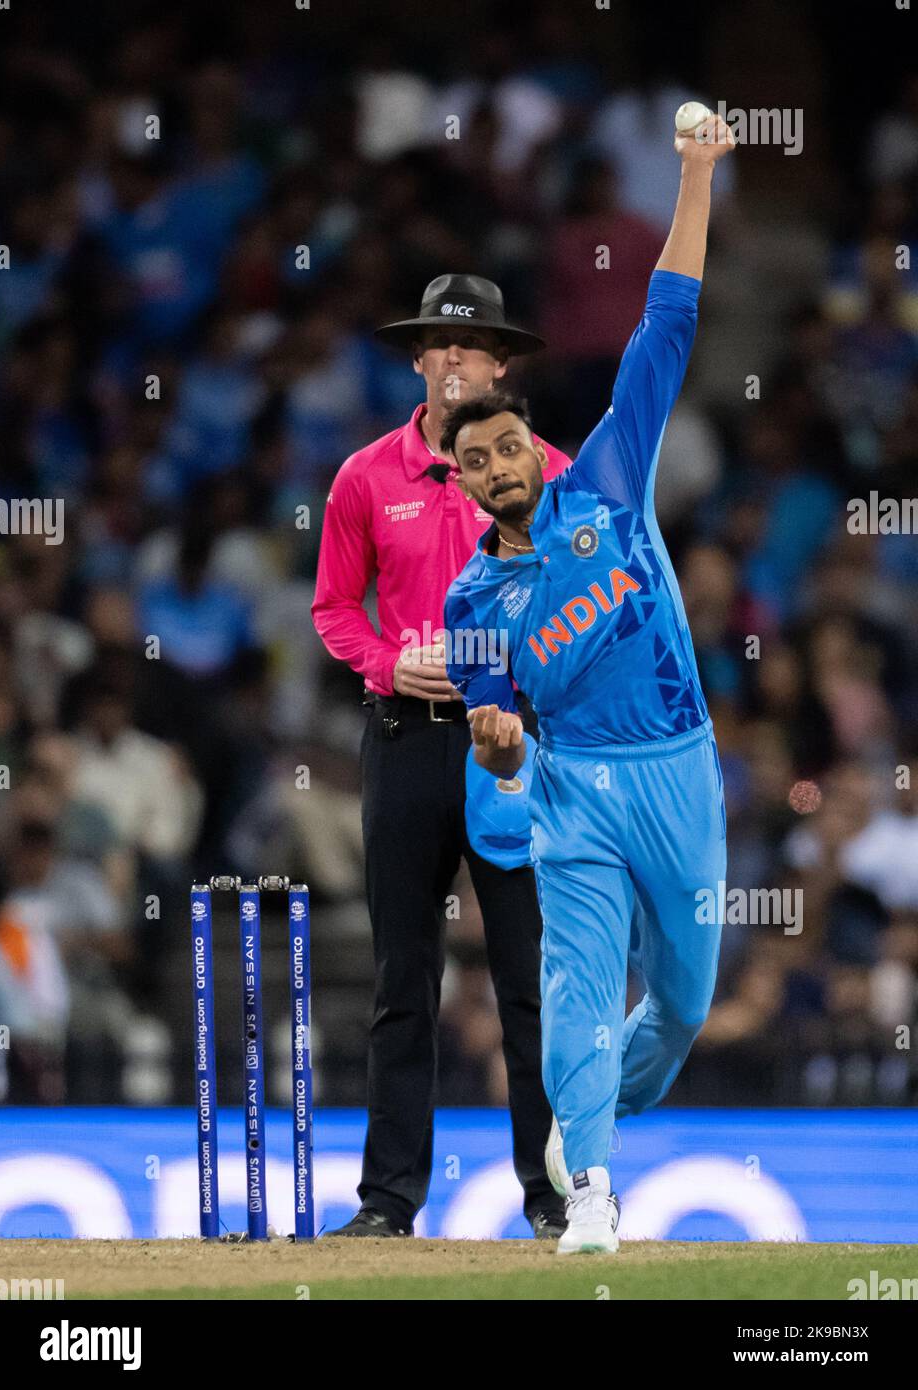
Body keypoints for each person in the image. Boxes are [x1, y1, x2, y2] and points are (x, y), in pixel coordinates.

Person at [442, 113, 736, 1253]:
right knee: (574, 983)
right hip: (573, 796)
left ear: (534, 450)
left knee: (684, 1006)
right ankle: (594, 1193)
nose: (497, 466)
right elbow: (492, 737)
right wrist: (503, 747)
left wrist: (698, 171)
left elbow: (669, 317)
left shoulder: (610, 477)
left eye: (508, 446)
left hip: (677, 770)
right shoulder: (471, 604)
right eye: (474, 460)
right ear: (462, 482)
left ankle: (599, 1107)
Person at [312, 274, 572, 1237]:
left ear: (502, 363)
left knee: (532, 983)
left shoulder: (548, 469)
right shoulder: (364, 477)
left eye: (473, 346)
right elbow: (334, 609)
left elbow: (589, 593)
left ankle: (554, 1199)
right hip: (409, 747)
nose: (456, 359)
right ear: (418, 361)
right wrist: (389, 666)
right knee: (401, 981)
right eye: (439, 345)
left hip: (518, 750)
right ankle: (387, 1206)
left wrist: (523, 673)